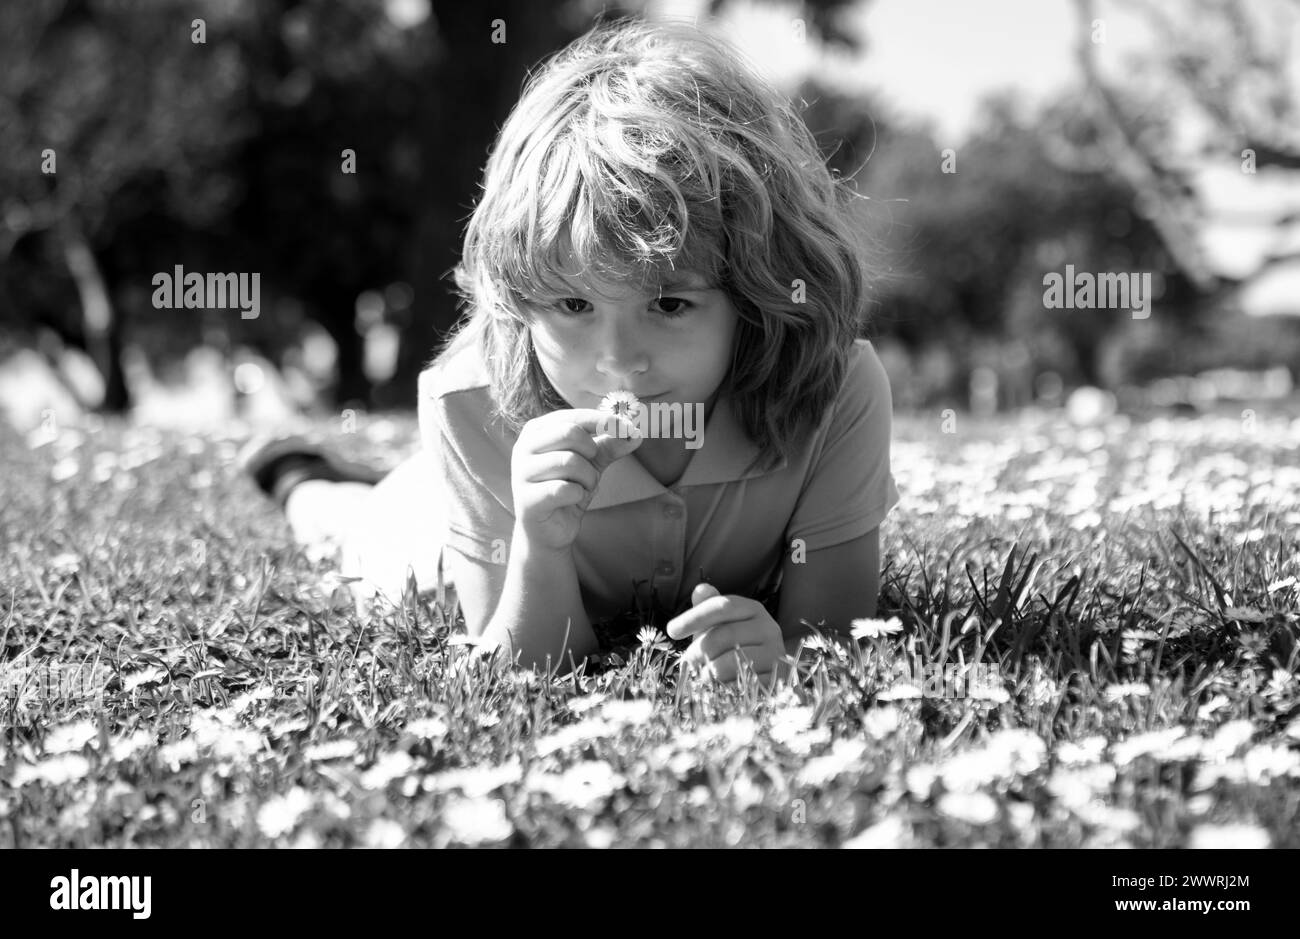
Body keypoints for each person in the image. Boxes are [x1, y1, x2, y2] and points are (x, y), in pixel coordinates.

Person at [242, 18, 901, 688]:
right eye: (574, 306)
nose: (619, 361)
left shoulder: (832, 389)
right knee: (346, 527)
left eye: (670, 304)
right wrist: (538, 544)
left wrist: (781, 658)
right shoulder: (471, 403)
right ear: (522, 295)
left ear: (755, 288)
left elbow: (835, 642)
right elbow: (522, 667)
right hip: (428, 533)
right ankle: (304, 476)